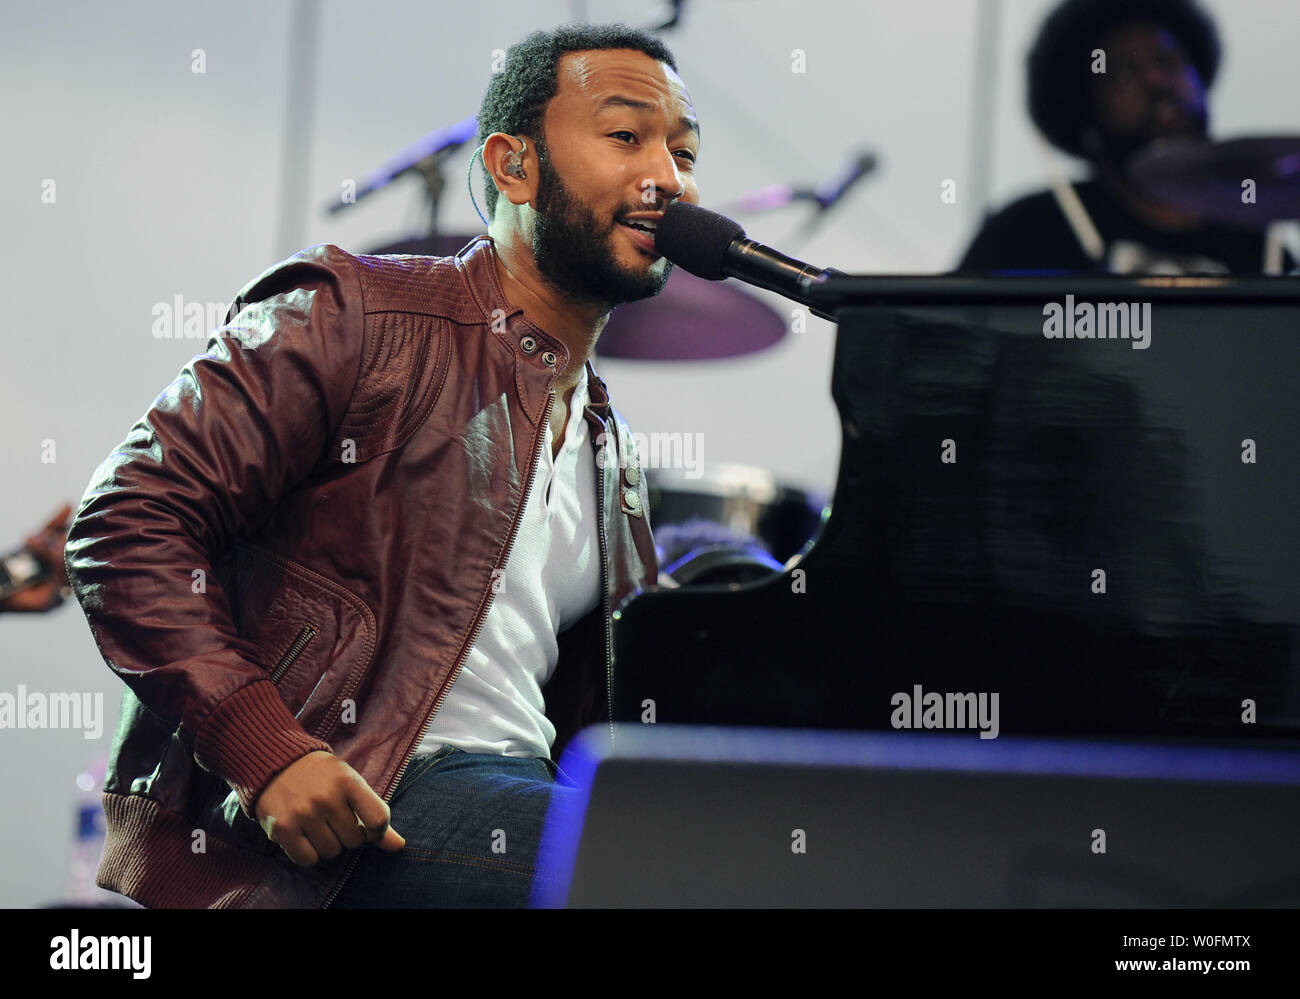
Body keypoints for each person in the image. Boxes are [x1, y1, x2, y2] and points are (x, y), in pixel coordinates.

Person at [63, 23, 701, 908]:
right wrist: (268, 751)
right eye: (627, 136)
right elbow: (124, 521)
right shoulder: (356, 314)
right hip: (370, 801)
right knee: (664, 873)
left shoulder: (608, 442)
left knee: (737, 855)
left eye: (684, 150)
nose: (668, 177)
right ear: (512, 166)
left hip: (522, 794)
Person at [958, 0, 1289, 274]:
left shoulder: (1261, 251)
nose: (1158, 83)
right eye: (1125, 74)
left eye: (1168, 61)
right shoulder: (1027, 233)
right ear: (1087, 112)